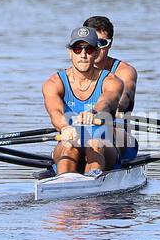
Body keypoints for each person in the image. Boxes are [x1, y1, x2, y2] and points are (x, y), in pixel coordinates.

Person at [42, 27, 124, 176]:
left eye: (89, 49)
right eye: (77, 49)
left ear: (97, 52)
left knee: (95, 144)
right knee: (68, 145)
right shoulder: (53, 83)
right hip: (69, 142)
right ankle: (64, 188)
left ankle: (90, 190)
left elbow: (107, 100)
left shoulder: (112, 81)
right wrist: (64, 127)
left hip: (104, 145)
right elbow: (55, 111)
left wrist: (95, 112)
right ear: (70, 52)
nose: (83, 55)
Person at [82, 15, 140, 164]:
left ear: (110, 44)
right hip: (84, 134)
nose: (96, 48)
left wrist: (100, 110)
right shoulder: (74, 73)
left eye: (102, 43)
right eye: (92, 43)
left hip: (119, 137)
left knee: (99, 134)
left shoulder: (124, 72)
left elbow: (122, 99)